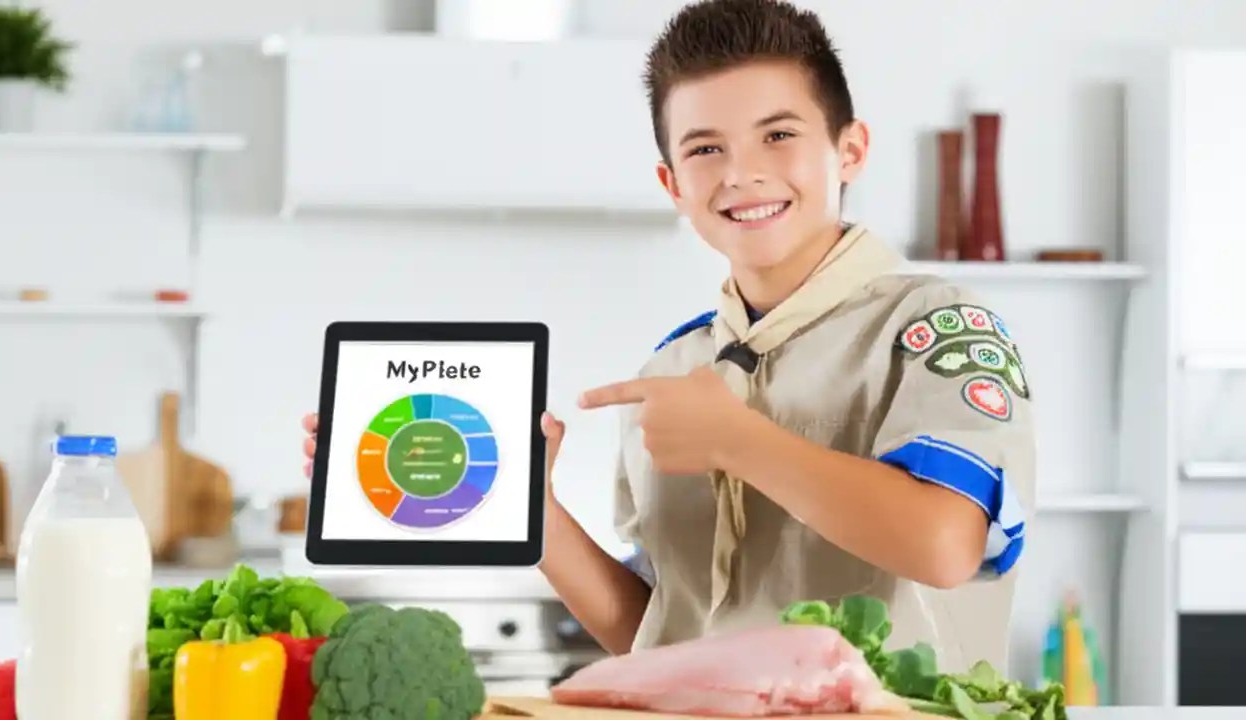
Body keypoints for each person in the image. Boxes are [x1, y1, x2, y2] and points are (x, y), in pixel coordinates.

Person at [303, 0, 1034, 674]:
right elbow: (657, 633)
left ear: (849, 150)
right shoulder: (676, 366)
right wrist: (527, 507)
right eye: (705, 149)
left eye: (778, 135)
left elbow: (946, 544)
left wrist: (738, 441)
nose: (742, 173)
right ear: (672, 183)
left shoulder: (934, 328)